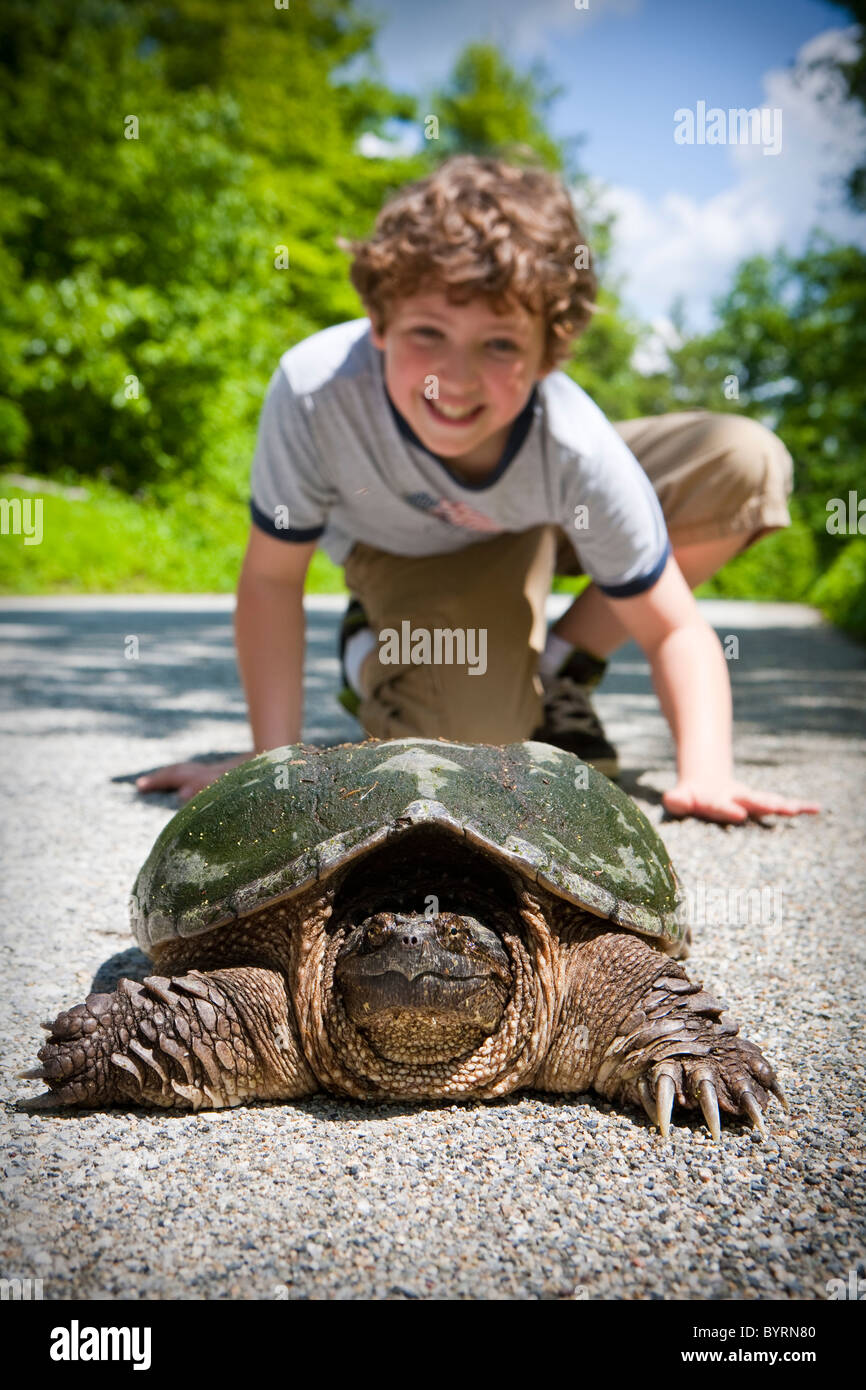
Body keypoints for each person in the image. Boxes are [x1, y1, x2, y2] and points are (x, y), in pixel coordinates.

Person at [138, 155, 819, 824]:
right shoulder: (316, 390)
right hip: (414, 547)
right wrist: (274, 763)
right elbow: (272, 580)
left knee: (742, 461)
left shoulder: (577, 444)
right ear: (379, 324)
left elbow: (674, 627)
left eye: (499, 344)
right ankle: (369, 645)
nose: (453, 378)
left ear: (549, 354)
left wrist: (706, 771)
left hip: (550, 503)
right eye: (428, 333)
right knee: (465, 762)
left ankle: (556, 668)